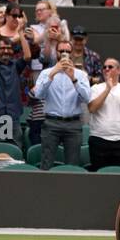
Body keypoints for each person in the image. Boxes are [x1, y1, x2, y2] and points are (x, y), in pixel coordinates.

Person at [32, 37, 93, 169]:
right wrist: (53, 74)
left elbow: (87, 98)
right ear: (56, 52)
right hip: (52, 122)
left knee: (73, 164)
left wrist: (73, 79)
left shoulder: (80, 75)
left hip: (73, 123)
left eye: (67, 51)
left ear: (71, 53)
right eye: (61, 51)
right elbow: (38, 94)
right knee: (46, 162)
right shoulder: (46, 73)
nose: (64, 53)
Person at [86, 58, 120, 171]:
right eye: (104, 67)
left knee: (119, 176)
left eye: (110, 67)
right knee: (98, 177)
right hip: (98, 140)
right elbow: (92, 108)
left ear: (119, 70)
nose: (106, 69)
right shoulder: (96, 88)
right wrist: (107, 89)